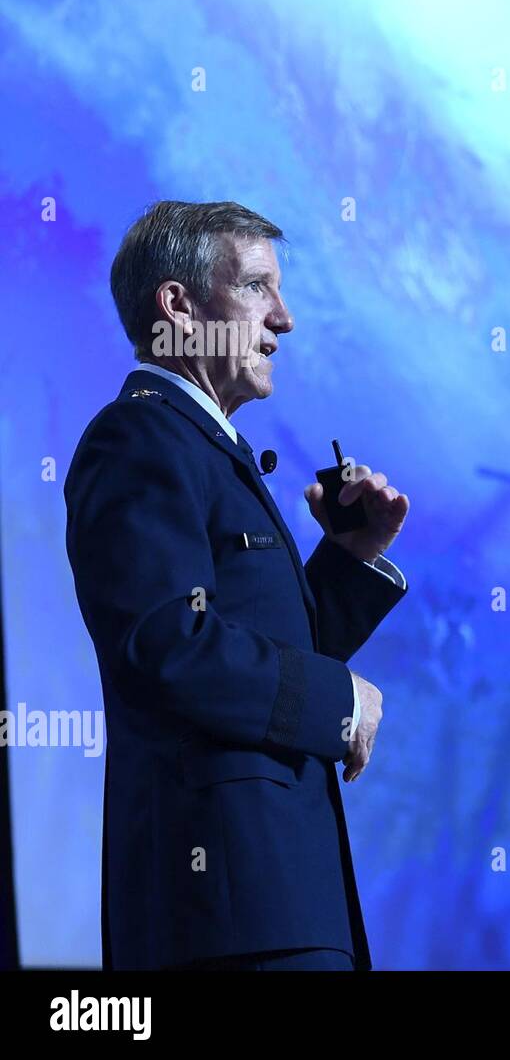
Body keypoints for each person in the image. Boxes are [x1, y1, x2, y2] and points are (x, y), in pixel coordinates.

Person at [64, 200, 410, 970]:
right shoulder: (138, 437)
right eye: (258, 288)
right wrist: (341, 701)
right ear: (179, 307)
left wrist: (348, 558)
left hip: (277, 911)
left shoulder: (201, 446)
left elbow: (259, 648)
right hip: (226, 924)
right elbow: (165, 645)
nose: (283, 320)